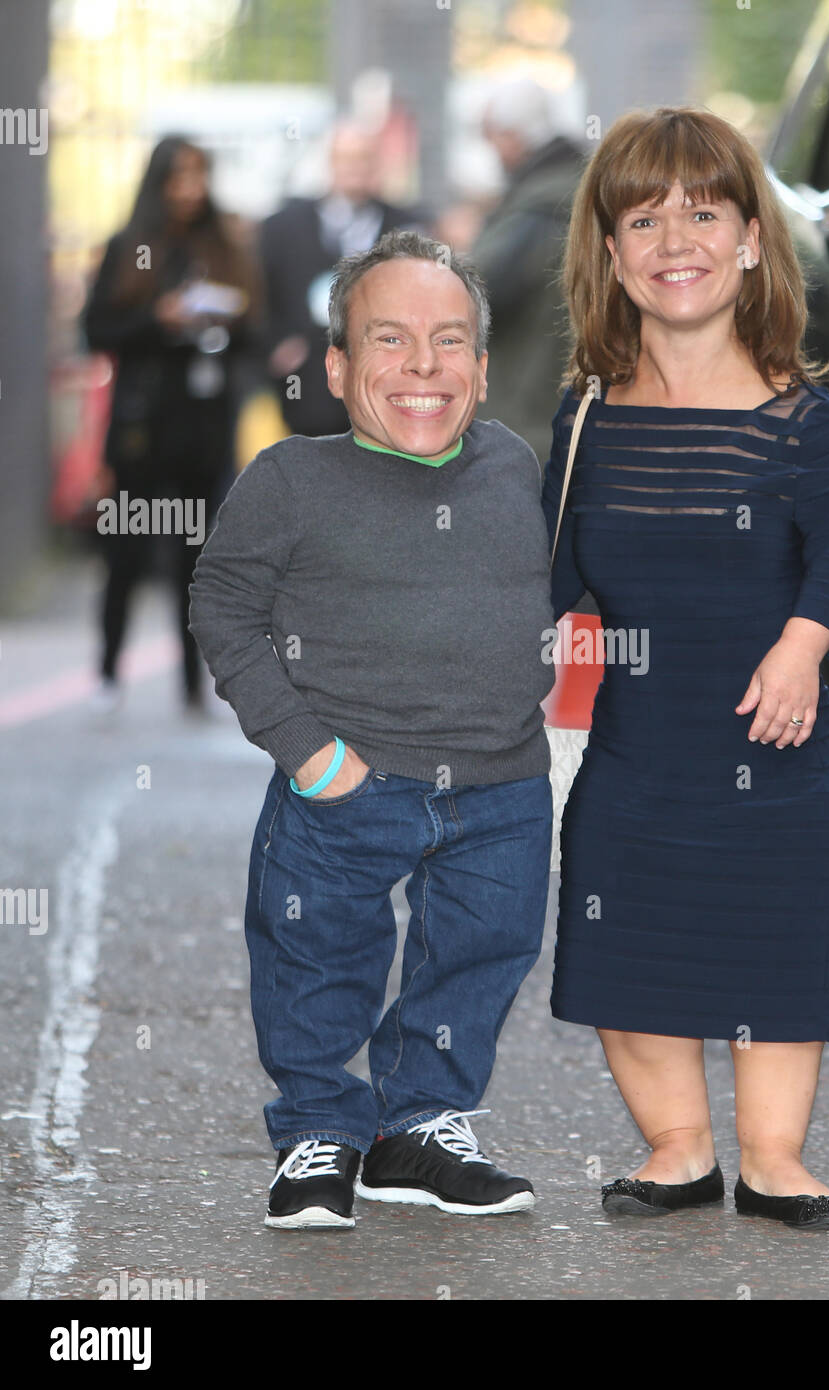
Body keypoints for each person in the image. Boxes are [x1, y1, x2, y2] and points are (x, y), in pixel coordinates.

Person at [543, 107, 829, 1230]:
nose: (672, 237)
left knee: (782, 935)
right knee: (624, 932)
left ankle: (774, 1157)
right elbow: (538, 579)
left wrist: (802, 643)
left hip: (776, 756)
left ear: (749, 240)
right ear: (609, 254)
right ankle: (676, 1149)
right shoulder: (585, 420)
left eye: (702, 211)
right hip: (639, 758)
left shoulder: (805, 425)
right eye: (642, 217)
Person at [189, 229, 555, 1230]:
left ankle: (418, 1125)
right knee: (317, 955)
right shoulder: (289, 481)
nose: (424, 366)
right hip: (344, 775)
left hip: (499, 780)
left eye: (449, 342)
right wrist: (304, 749)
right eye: (389, 341)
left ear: (481, 367)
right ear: (340, 367)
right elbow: (223, 609)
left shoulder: (514, 467)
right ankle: (318, 1129)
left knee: (482, 950)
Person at [83, 134, 258, 710]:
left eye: (198, 176)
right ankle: (108, 673)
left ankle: (191, 686)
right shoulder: (129, 246)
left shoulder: (223, 246)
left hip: (201, 429)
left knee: (195, 558)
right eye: (179, 178)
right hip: (139, 429)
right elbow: (97, 332)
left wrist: (221, 319)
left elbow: (256, 331)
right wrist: (159, 319)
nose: (190, 191)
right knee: (125, 555)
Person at [257, 120, 431, 437]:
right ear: (330, 163)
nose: (356, 169)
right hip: (308, 391)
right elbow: (263, 296)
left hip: (385, 393)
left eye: (365, 158)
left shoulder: (410, 227)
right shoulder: (282, 228)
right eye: (347, 159)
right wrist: (277, 347)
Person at [468, 76, 586, 461]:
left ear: (514, 135)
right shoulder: (582, 188)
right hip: (571, 410)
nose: (492, 151)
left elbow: (472, 294)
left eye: (492, 136)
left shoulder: (538, 207)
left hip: (526, 418)